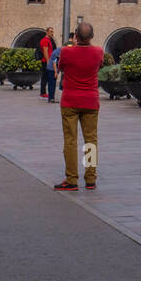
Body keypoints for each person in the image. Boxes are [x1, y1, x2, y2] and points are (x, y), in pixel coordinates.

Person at [54, 22, 105, 191]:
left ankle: (71, 179)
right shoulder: (98, 52)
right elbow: (99, 66)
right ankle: (90, 179)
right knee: (91, 140)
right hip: (90, 100)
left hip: (70, 101)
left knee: (70, 140)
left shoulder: (66, 52)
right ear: (91, 36)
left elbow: (60, 68)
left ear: (75, 35)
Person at [38, 27, 57, 98]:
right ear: (46, 32)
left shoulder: (49, 40)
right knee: (45, 78)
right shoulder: (45, 40)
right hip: (46, 61)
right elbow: (45, 52)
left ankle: (44, 92)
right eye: (51, 31)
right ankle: (43, 93)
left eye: (53, 32)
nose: (52, 33)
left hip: (48, 61)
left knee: (45, 77)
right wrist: (49, 62)